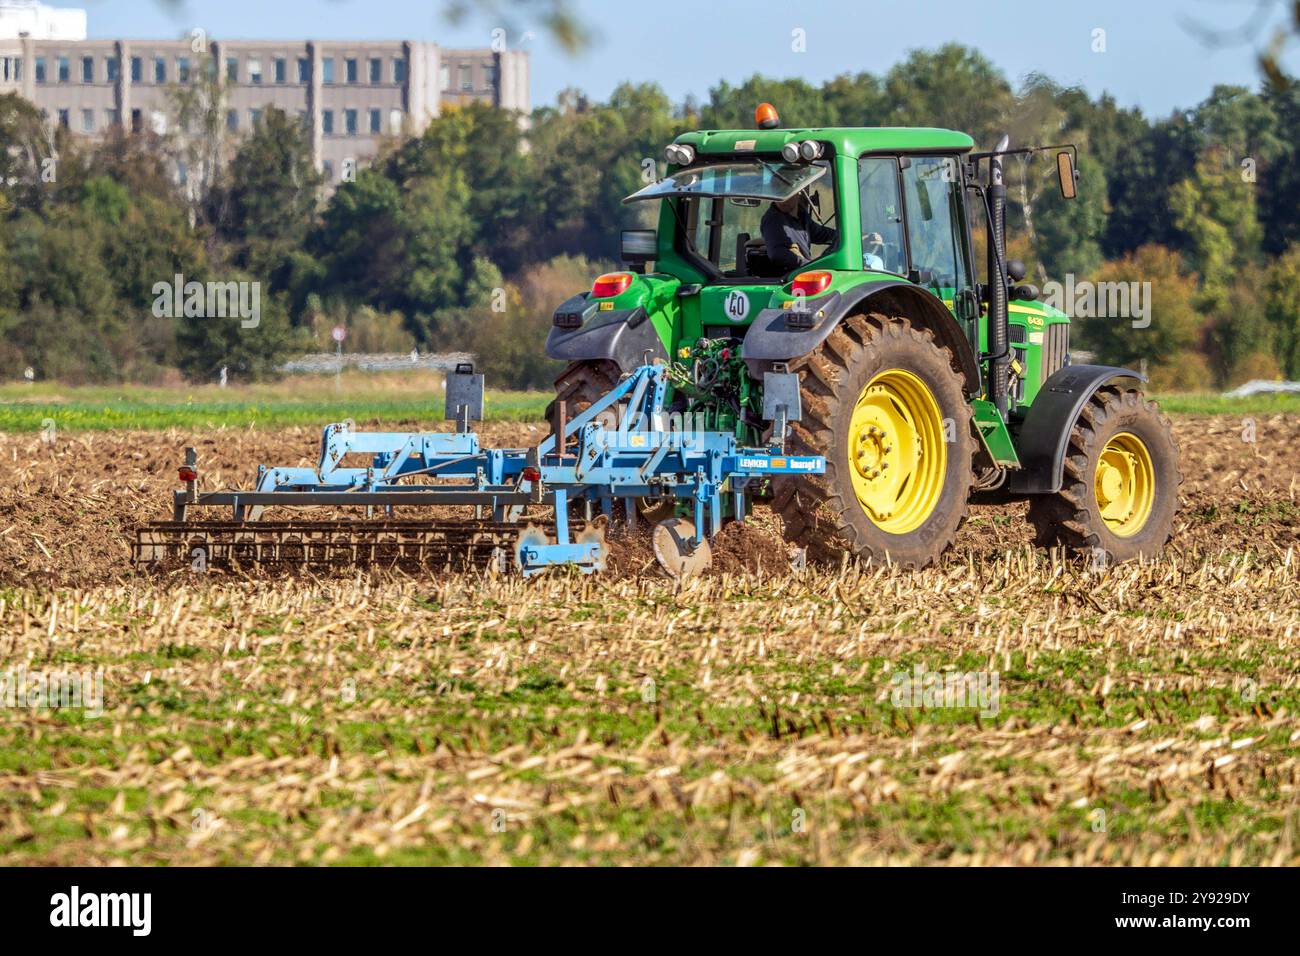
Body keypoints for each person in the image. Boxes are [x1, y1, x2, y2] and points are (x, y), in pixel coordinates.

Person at [761, 192, 837, 274]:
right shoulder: (773, 219)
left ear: (798, 191)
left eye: (787, 192)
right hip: (791, 278)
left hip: (804, 273)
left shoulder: (802, 216)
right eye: (778, 193)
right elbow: (778, 254)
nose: (781, 199)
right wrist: (810, 266)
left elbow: (820, 233)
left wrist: (842, 236)